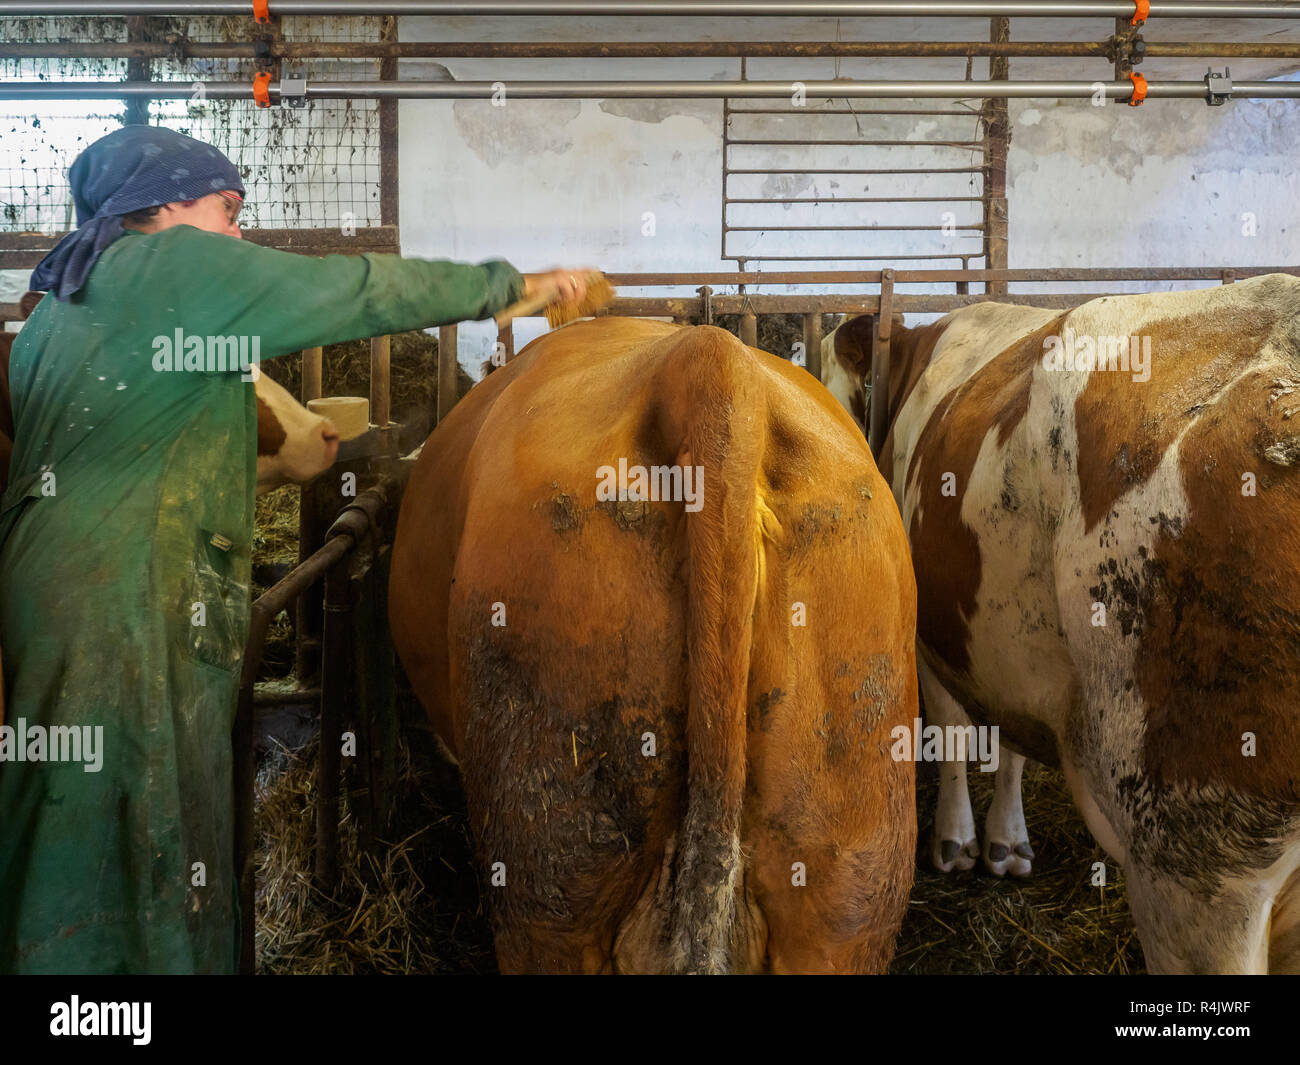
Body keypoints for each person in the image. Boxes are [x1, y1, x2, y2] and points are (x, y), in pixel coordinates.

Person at [0, 124, 588, 974]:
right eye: (228, 208)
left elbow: (168, 439)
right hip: (128, 603)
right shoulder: (173, 267)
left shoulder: (62, 305)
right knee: (140, 820)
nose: (238, 232)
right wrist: (514, 286)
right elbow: (352, 290)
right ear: (162, 204)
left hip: (53, 588)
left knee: (63, 811)